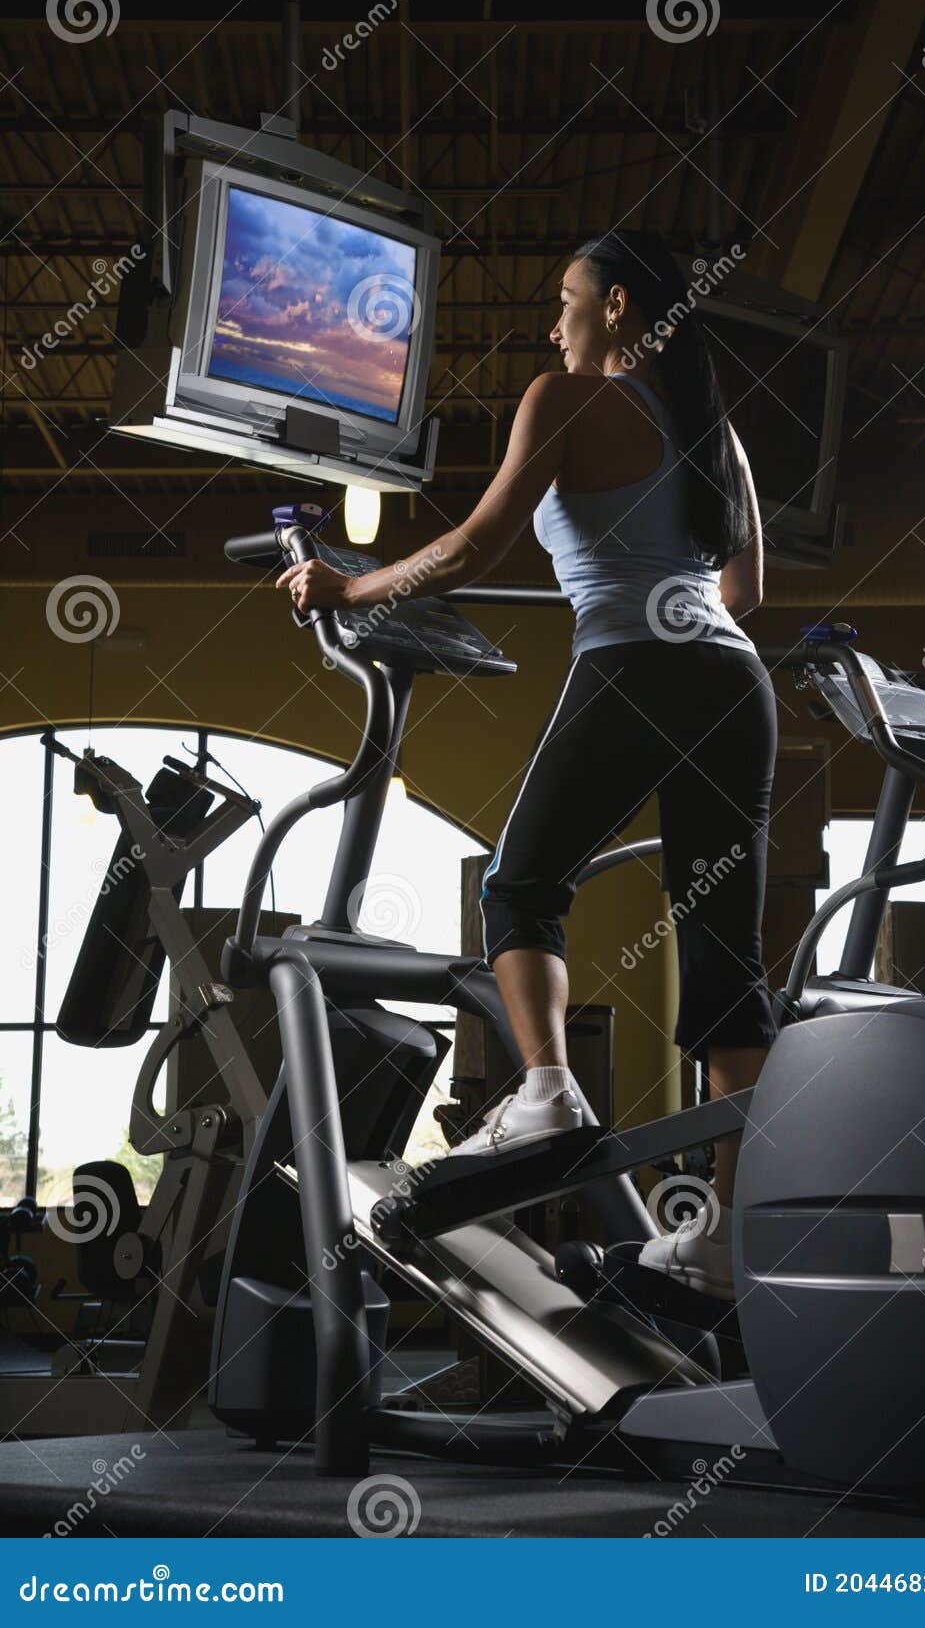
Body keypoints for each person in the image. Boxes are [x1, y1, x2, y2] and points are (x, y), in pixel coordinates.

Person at [276, 229, 778, 1300]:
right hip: (733, 685)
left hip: (636, 666)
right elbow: (744, 596)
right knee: (727, 965)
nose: (555, 322)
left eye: (567, 298)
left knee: (519, 887)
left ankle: (545, 1088)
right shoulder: (713, 430)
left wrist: (345, 591)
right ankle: (731, 1238)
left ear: (620, 306)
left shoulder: (561, 399)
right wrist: (644, 582)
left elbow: (471, 547)